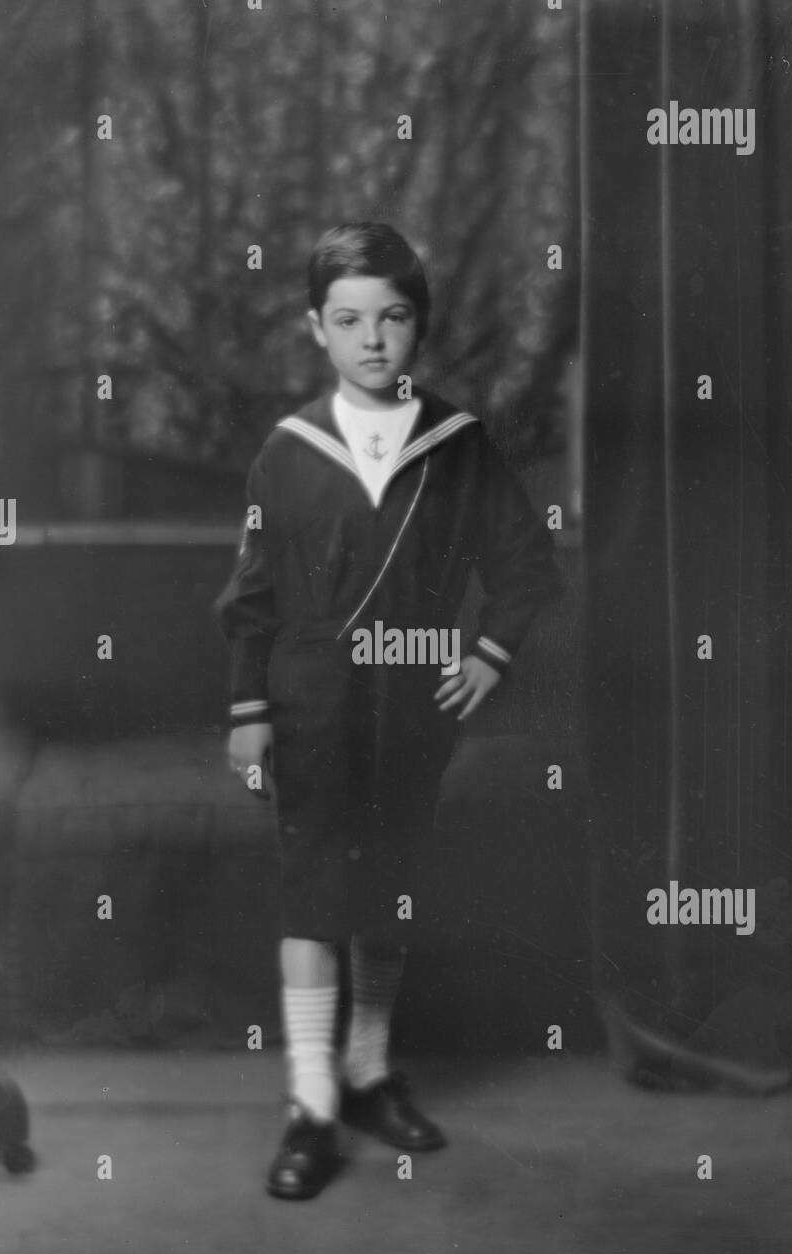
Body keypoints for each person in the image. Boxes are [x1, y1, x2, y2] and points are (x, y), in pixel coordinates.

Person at [215, 222, 560, 1198]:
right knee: (313, 896)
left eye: (393, 317)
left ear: (420, 326)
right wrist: (249, 711)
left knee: (389, 890)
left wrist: (489, 653)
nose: (372, 340)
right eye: (349, 319)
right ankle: (311, 1101)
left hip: (409, 712)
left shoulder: (455, 445)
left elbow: (524, 567)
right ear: (314, 329)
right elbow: (251, 598)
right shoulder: (286, 455)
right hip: (310, 709)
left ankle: (368, 1070)